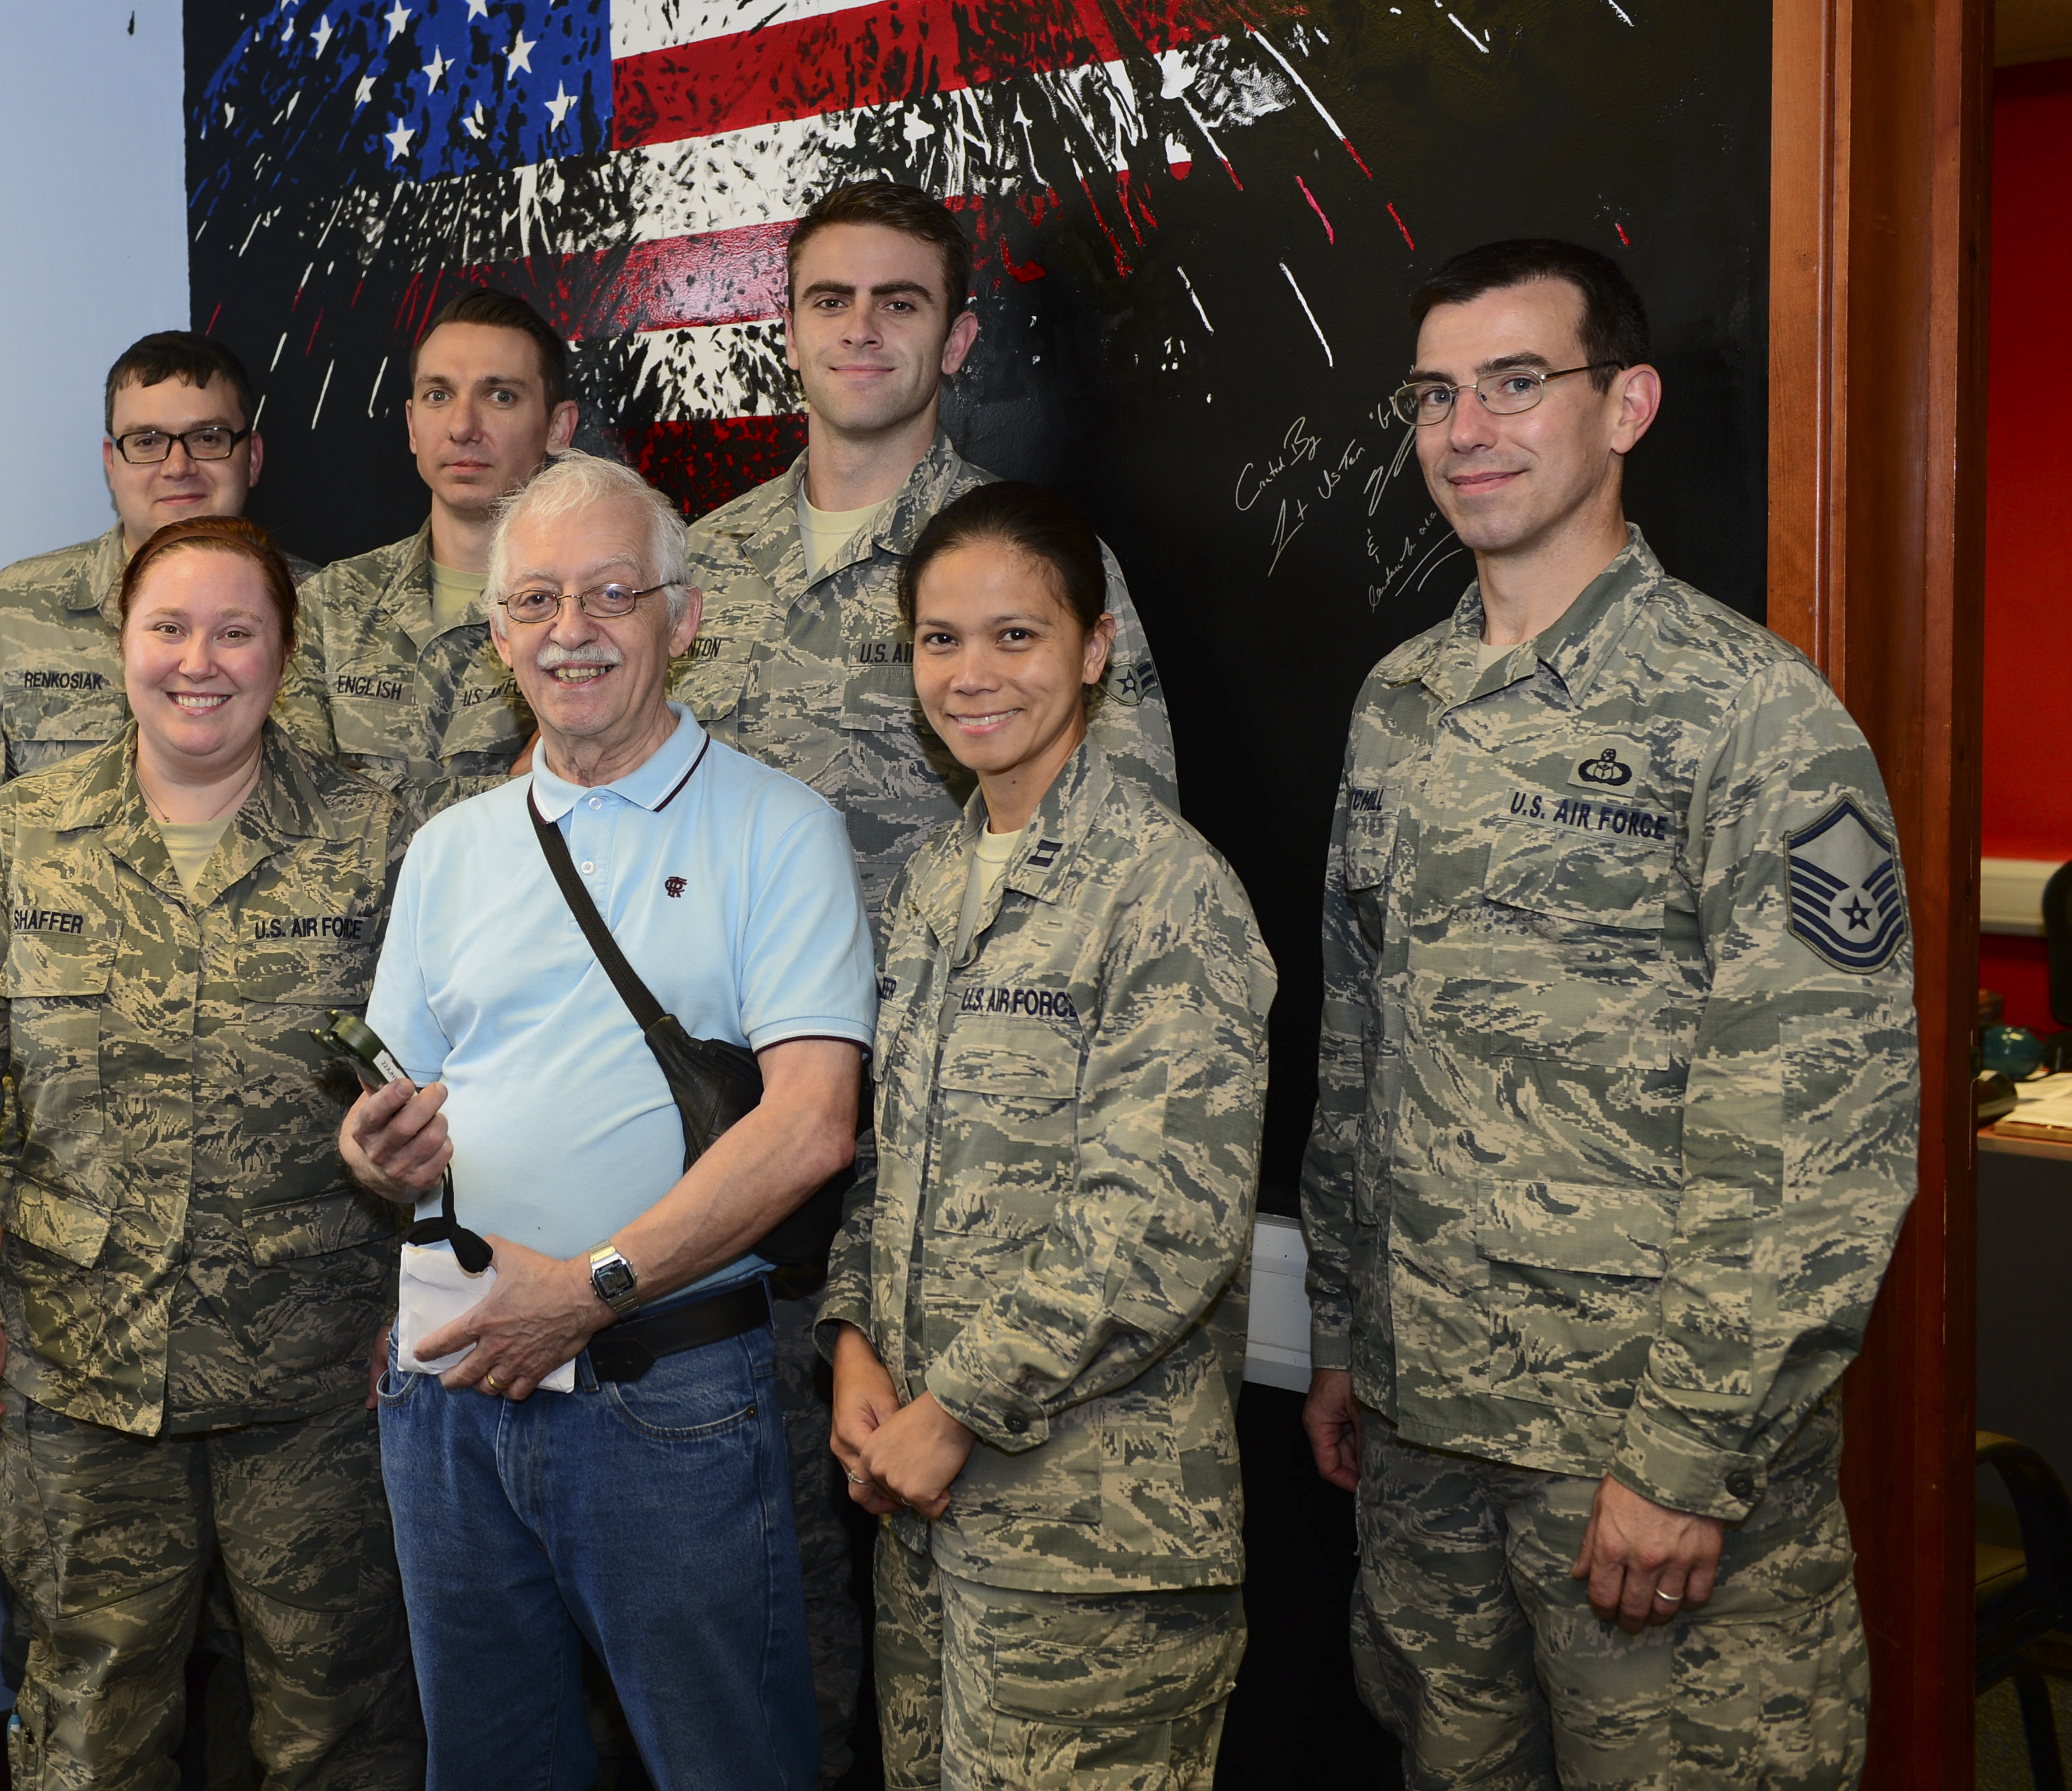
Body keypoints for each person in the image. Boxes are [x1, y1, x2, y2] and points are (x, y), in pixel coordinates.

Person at [1297, 240, 1920, 1788]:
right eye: (1435, 395)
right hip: (1423, 1440)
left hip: (1633, 1462)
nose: (1467, 430)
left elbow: (1816, 1131)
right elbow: (1357, 1047)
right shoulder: (1399, 703)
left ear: (1623, 404)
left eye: (1517, 384)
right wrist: (1336, 1334)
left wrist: (1683, 1456)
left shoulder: (1751, 717)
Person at [672, 175, 1183, 1778]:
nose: (861, 331)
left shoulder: (1019, 570)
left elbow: (1120, 866)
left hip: (930, 1190)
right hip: (705, 1173)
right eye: (829, 300)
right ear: (786, 326)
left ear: (953, 334)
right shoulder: (694, 565)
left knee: (927, 1638)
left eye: (900, 302)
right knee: (723, 1616)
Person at [341, 453, 872, 1790]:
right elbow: (394, 1110)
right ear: (499, 630)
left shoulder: (778, 828)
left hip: (664, 1386)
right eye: (535, 599)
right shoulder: (451, 847)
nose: (569, 631)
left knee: (723, 1763)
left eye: (609, 594)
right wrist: (375, 1148)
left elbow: (812, 1125)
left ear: (681, 620)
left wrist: (590, 1288)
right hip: (450, 1374)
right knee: (490, 1765)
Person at [0, 515, 424, 1791]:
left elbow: (451, 1090)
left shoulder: (381, 834)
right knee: (88, 1726)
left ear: (283, 654)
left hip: (315, 1381)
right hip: (85, 1377)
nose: (201, 660)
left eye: (237, 630)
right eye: (168, 627)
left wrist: (422, 1306)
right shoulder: (25, 832)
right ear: (120, 642)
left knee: (334, 1724)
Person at [822, 481, 1270, 1790]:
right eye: (940, 638)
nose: (972, 673)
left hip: (1093, 1547)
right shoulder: (928, 884)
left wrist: (956, 1401)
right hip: (923, 1520)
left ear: (1093, 646)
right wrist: (853, 1339)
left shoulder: (1166, 890)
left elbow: (1156, 1221)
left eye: (1015, 635)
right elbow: (883, 1161)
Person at [273, 288, 575, 815]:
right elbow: (298, 806)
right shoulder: (330, 606)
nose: (462, 427)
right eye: (440, 396)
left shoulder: (592, 610)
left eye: (499, 396)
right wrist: (507, 795)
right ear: (412, 425)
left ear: (558, 427)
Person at [0, 330, 303, 781]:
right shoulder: (12, 610)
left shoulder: (329, 610)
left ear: (252, 457)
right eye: (146, 441)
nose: (178, 467)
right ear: (111, 461)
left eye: (207, 438)